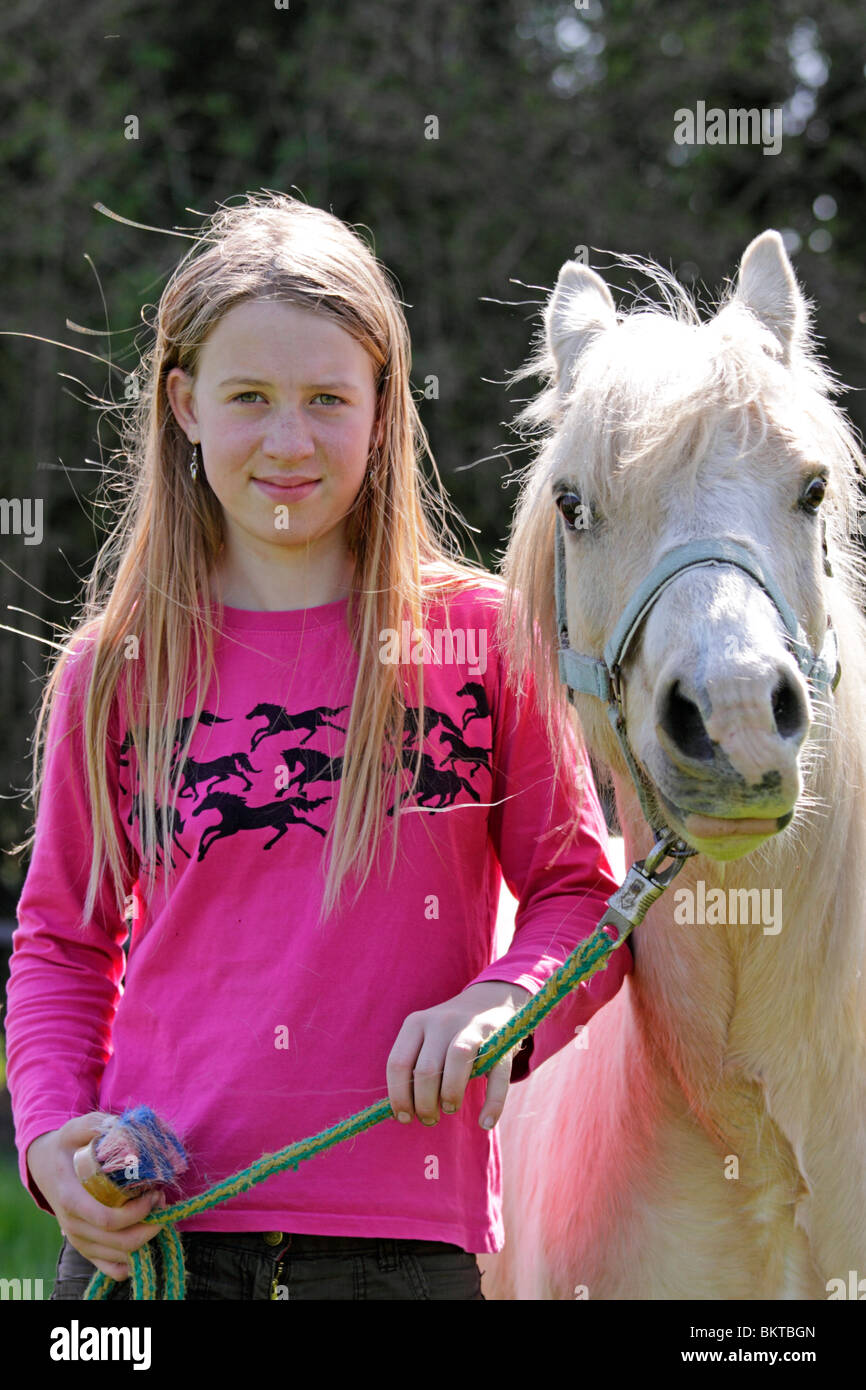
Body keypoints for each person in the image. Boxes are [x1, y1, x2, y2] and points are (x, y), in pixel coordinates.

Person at [4, 191, 631, 1301]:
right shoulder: (113, 669)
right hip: (156, 1242)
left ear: (383, 409)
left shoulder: (480, 639)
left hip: (403, 1257)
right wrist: (54, 1141)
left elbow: (580, 898)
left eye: (326, 399)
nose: (288, 441)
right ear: (184, 405)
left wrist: (500, 1004)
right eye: (249, 397)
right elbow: (61, 942)